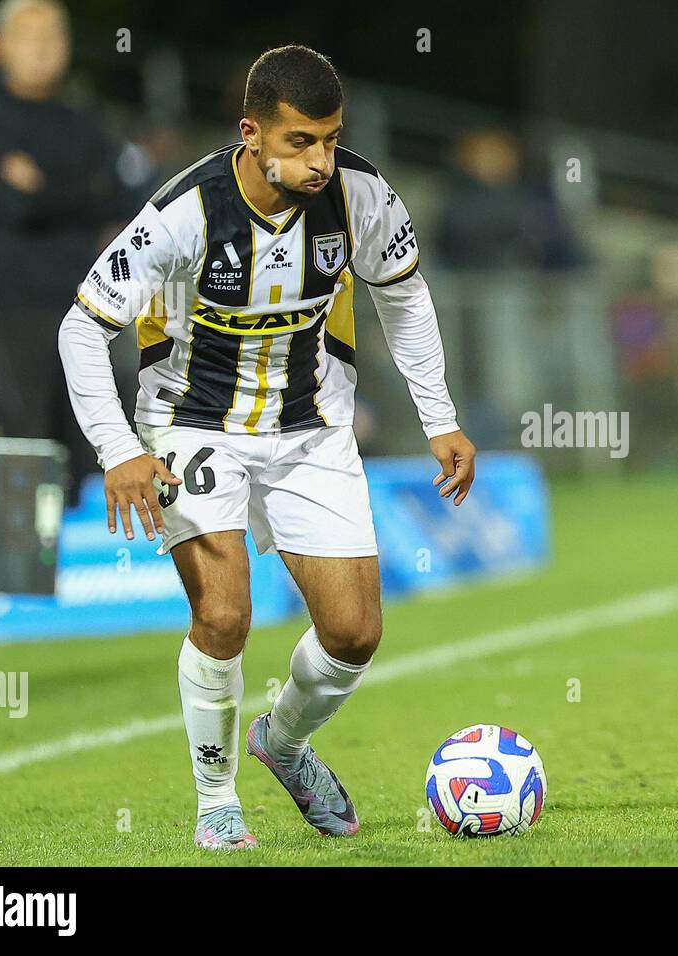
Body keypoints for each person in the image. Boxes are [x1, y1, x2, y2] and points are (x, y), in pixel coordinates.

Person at [57, 45, 476, 850]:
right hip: (193, 423)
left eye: (330, 138)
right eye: (300, 143)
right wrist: (117, 448)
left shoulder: (361, 194)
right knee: (224, 613)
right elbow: (83, 326)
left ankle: (281, 742)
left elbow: (406, 298)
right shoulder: (184, 212)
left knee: (354, 635)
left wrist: (440, 417)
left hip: (311, 426)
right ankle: (217, 800)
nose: (321, 160)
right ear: (252, 134)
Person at [0, 0, 133, 500]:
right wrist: (83, 192)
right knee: (31, 445)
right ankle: (30, 569)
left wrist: (44, 190)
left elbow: (122, 194)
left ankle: (99, 563)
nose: (43, 50)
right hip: (20, 313)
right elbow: (9, 206)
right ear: (1, 48)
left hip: (90, 308)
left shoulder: (87, 118)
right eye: (29, 37)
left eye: (52, 37)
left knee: (99, 441)